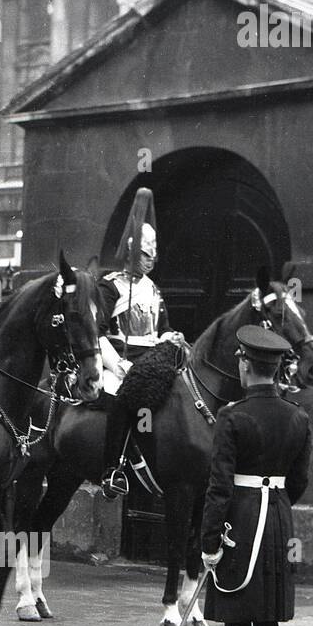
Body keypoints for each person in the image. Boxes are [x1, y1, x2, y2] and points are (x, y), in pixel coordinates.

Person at [200, 324, 312, 626]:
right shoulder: (298, 417)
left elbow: (218, 487)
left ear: (246, 366)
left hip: (242, 519)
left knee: (237, 612)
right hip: (280, 520)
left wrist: (209, 541)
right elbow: (299, 481)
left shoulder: (232, 416)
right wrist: (278, 505)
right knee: (268, 615)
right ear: (278, 368)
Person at [96, 189, 186, 499]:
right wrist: (117, 364)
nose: (149, 262)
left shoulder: (154, 289)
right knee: (123, 398)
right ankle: (113, 469)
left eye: (152, 256)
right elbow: (97, 332)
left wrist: (171, 338)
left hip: (152, 361)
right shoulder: (110, 286)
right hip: (118, 359)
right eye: (144, 255)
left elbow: (162, 328)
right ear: (133, 253)